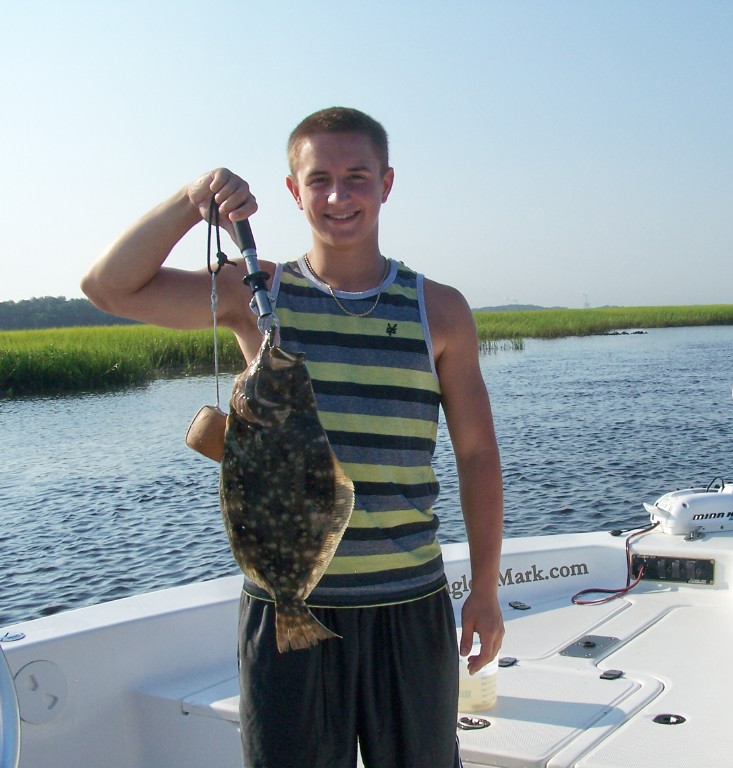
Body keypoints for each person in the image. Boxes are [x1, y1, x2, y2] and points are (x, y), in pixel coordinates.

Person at [82, 107, 505, 767]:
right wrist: (193, 202)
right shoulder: (257, 294)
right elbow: (107, 288)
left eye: (357, 177)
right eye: (320, 179)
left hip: (409, 601)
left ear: (387, 184)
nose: (339, 196)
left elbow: (476, 453)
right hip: (286, 605)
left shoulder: (439, 309)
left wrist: (484, 586)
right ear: (292, 190)